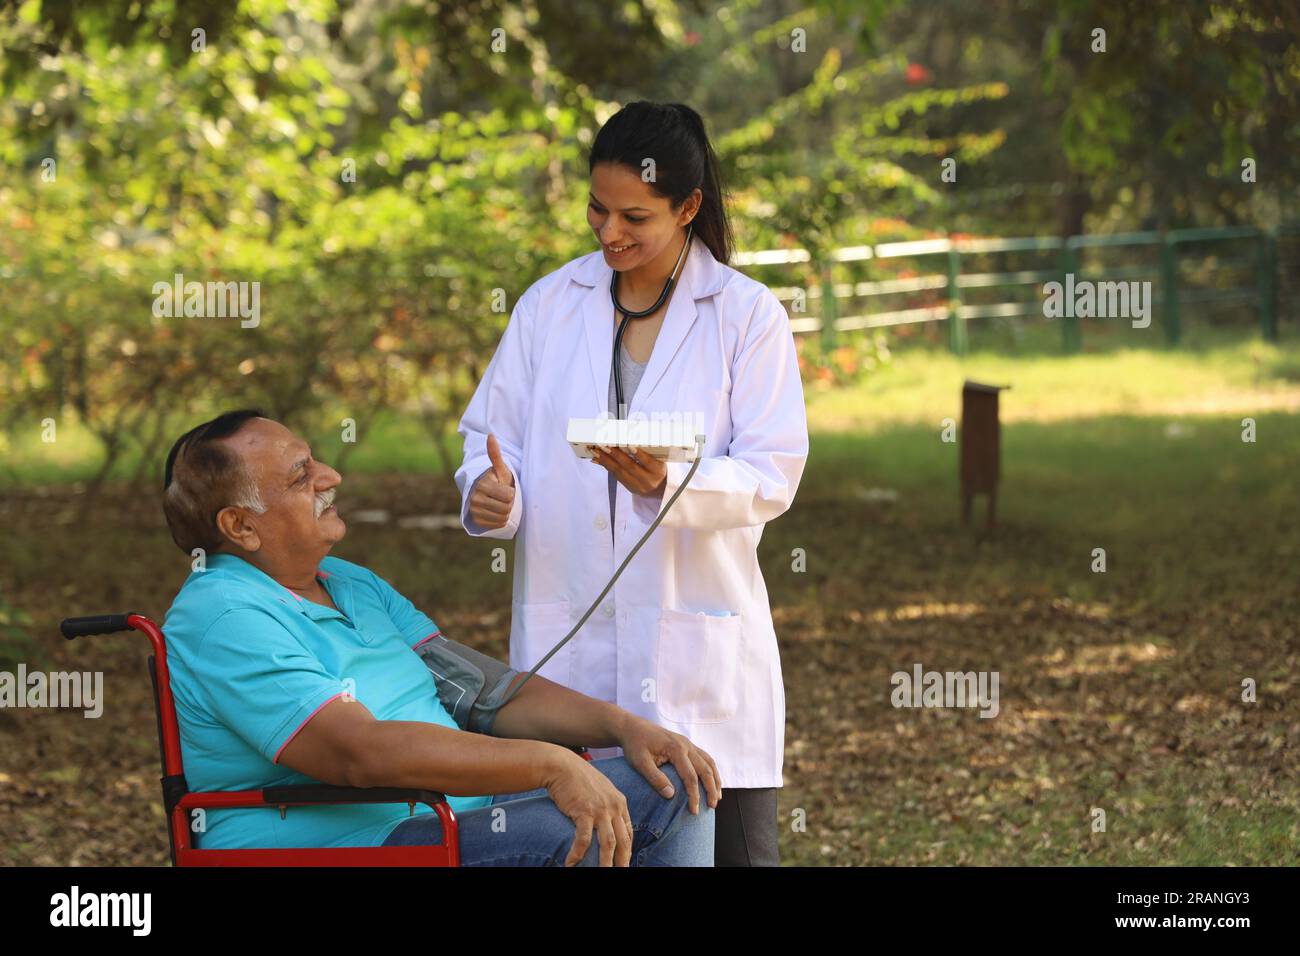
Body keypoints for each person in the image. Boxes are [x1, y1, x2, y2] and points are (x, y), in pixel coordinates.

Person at [456, 101, 809, 866]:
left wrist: (670, 482)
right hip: (569, 639)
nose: (609, 231)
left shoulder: (745, 316)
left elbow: (772, 473)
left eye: (635, 216)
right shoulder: (549, 306)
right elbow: (491, 441)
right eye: (597, 208)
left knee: (734, 852)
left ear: (688, 208)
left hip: (700, 649)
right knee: (585, 845)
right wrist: (491, 496)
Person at [160, 409, 718, 866]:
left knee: (672, 776)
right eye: (300, 475)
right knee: (575, 827)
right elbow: (359, 753)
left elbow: (481, 692)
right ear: (240, 526)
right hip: (349, 848)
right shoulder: (223, 615)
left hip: (455, 813)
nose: (330, 477)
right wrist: (551, 764)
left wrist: (621, 725)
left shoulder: (349, 582)